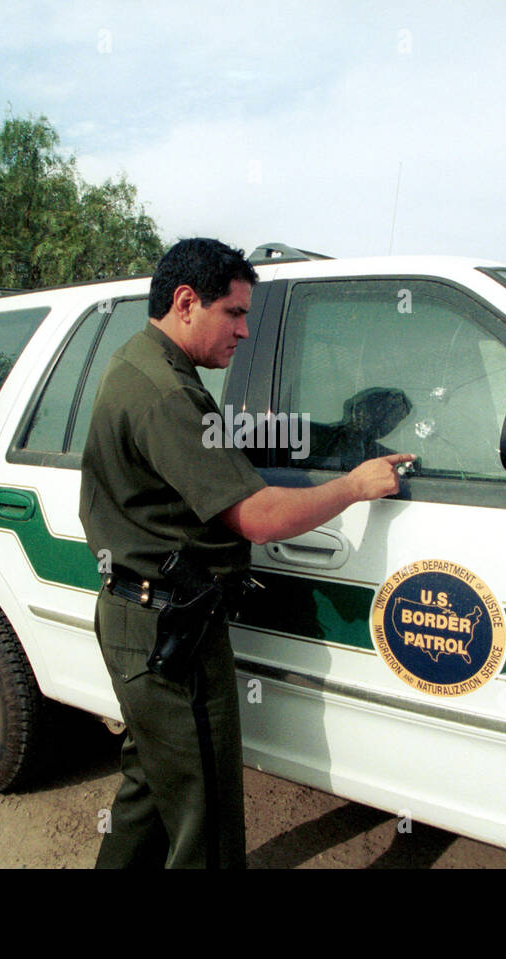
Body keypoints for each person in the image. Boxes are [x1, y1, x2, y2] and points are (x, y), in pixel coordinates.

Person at [78, 237, 412, 869]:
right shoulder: (168, 395)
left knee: (151, 791)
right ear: (185, 302)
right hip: (172, 635)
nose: (246, 330)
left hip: (137, 619)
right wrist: (354, 483)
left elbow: (216, 450)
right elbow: (259, 519)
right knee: (206, 822)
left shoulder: (140, 366)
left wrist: (333, 435)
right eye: (233, 313)